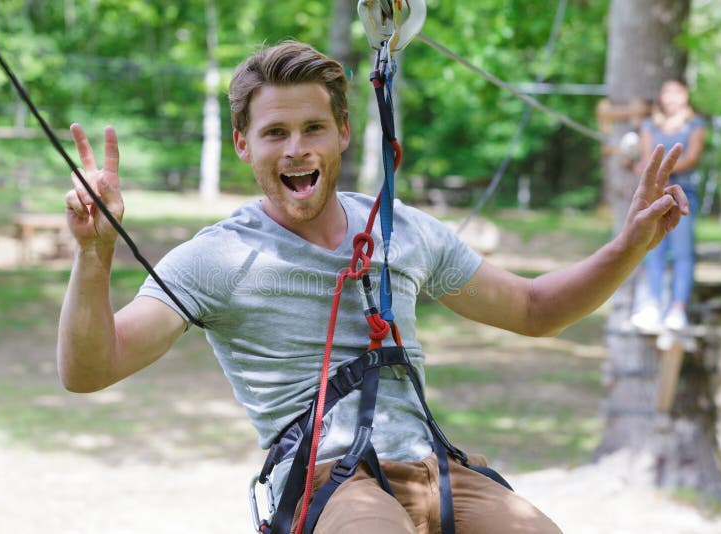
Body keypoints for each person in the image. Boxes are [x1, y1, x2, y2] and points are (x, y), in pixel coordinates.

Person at [58, 41, 687, 534]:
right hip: (328, 483)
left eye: (314, 129)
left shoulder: (401, 230)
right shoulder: (215, 259)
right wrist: (94, 255)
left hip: (438, 471)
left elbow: (533, 308)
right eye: (276, 133)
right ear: (243, 144)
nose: (297, 149)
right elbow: (90, 368)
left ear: (344, 134)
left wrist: (627, 246)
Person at [630, 79, 706, 332]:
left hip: (685, 194)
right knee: (654, 250)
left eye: (677, 91)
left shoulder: (695, 124)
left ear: (685, 95)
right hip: (657, 194)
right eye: (667, 92)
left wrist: (661, 171)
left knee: (683, 252)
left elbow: (692, 157)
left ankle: (677, 309)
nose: (671, 97)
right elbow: (646, 155)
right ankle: (653, 304)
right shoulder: (650, 124)